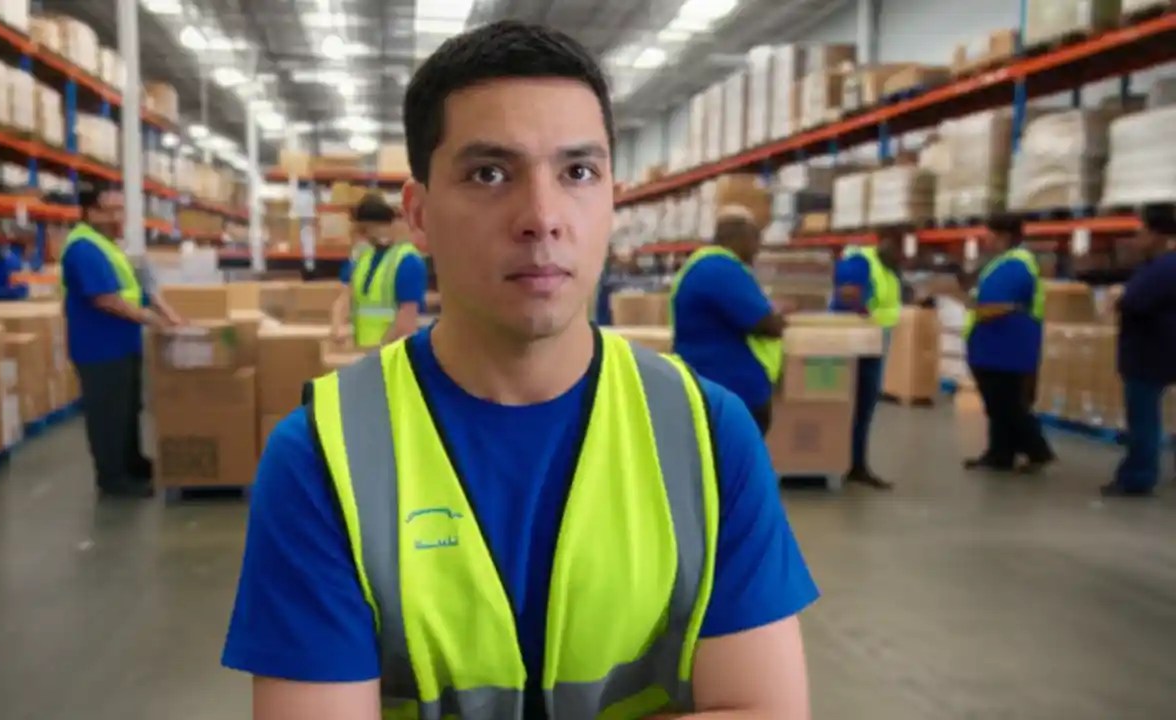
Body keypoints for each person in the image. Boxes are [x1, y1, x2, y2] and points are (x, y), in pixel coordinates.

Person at [224, 20, 817, 720]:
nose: (542, 216)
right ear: (419, 215)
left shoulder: (707, 436)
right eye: (489, 173)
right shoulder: (326, 459)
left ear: (611, 201)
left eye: (577, 172)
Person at [59, 183, 184, 499]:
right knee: (108, 414)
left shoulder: (107, 245)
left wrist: (166, 313)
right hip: (99, 347)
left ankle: (133, 463)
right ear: (91, 212)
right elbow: (105, 299)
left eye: (121, 209)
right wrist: (151, 319)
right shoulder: (83, 247)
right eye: (111, 210)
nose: (119, 216)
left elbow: (136, 289)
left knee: (128, 409)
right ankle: (113, 479)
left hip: (123, 344)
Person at [672, 206, 786, 434]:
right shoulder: (721, 268)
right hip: (731, 389)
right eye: (756, 240)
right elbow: (765, 324)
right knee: (732, 463)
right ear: (741, 236)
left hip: (711, 384)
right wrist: (780, 319)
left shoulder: (703, 265)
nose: (757, 249)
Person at [962, 214, 1054, 473]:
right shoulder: (1004, 262)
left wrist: (978, 308)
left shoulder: (1015, 265)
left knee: (1007, 405)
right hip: (996, 347)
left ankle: (1038, 451)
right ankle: (999, 455)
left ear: (1003, 237)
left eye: (989, 234)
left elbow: (996, 305)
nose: (986, 239)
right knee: (998, 405)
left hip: (1006, 348)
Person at [1101, 204, 1176, 498]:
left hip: (1150, 353)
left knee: (1143, 420)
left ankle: (1137, 477)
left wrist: (1120, 299)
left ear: (1157, 234)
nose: (1136, 237)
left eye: (1141, 231)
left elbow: (1136, 302)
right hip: (1158, 349)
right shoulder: (1157, 265)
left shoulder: (1164, 267)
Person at [831, 226, 905, 490]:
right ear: (884, 241)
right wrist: (863, 315)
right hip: (857, 345)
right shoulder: (861, 260)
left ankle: (857, 465)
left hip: (874, 344)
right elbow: (847, 294)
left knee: (864, 408)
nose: (900, 255)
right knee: (849, 405)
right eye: (897, 247)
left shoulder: (889, 271)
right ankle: (840, 462)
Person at [329, 192, 428, 347]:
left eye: (369, 228)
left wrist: (379, 355)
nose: (366, 235)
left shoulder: (407, 261)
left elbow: (407, 319)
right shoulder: (362, 257)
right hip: (362, 352)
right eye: (363, 230)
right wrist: (337, 327)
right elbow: (345, 297)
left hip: (391, 356)